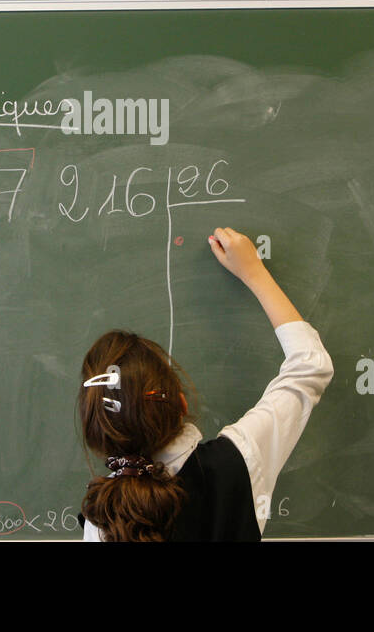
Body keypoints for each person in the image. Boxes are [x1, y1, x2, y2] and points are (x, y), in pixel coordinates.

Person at [77, 227, 334, 541]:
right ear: (181, 404)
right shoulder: (234, 463)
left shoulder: (100, 521)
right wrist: (255, 273)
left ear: (96, 432)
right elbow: (310, 365)